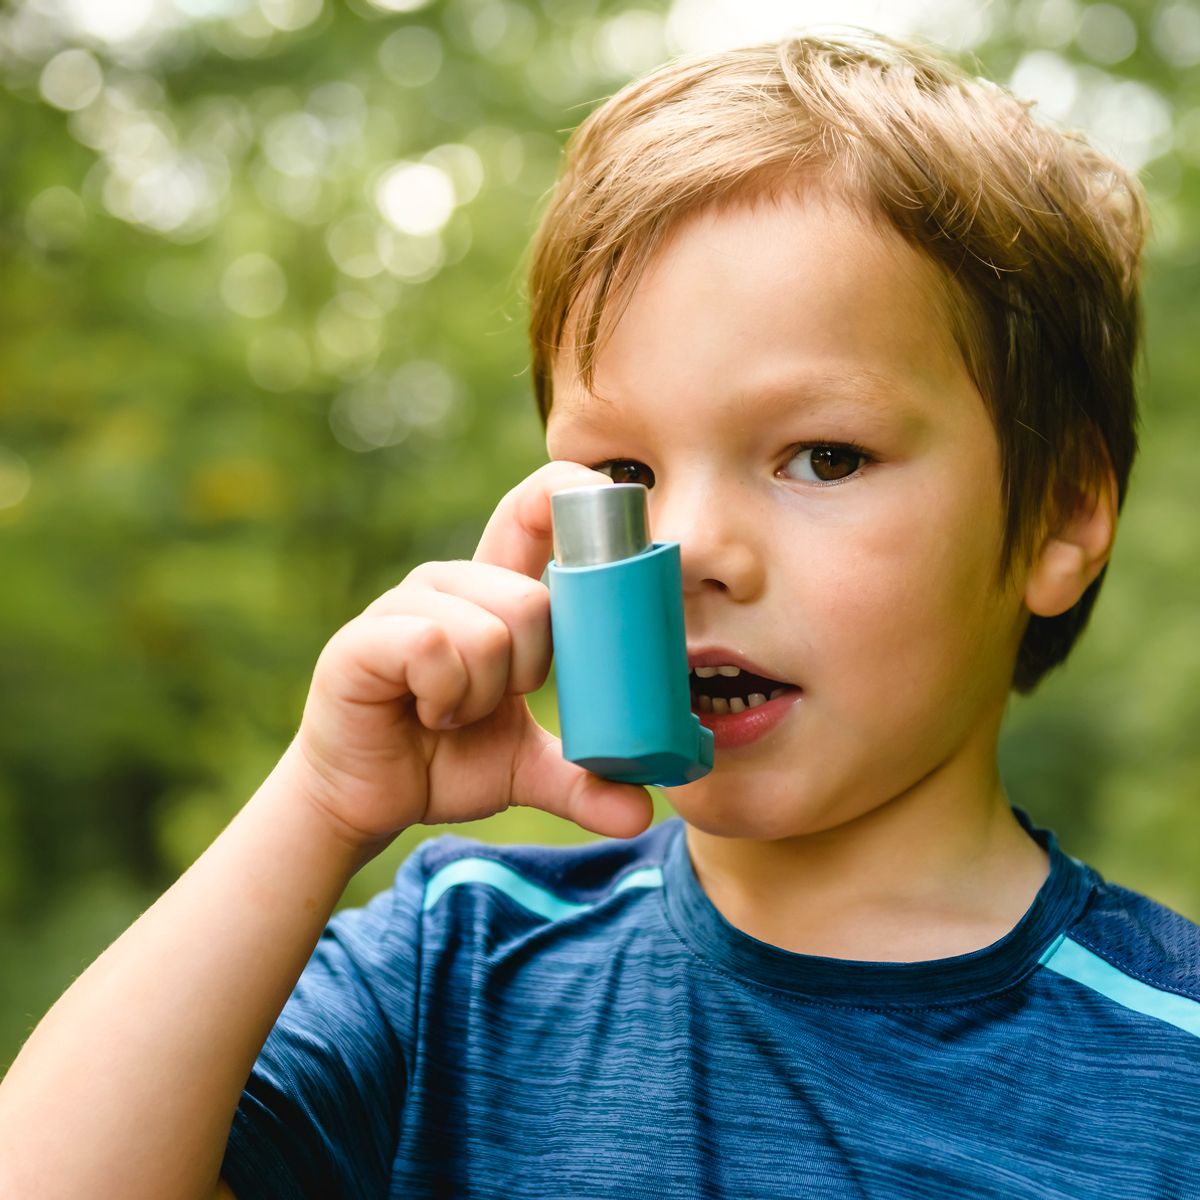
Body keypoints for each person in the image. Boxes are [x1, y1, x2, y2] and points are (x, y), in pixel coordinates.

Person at [2, 28, 1197, 1200]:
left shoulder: (1173, 1056)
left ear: (1061, 517)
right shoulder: (455, 971)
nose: (690, 553)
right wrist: (317, 806)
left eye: (822, 457)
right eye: (622, 479)